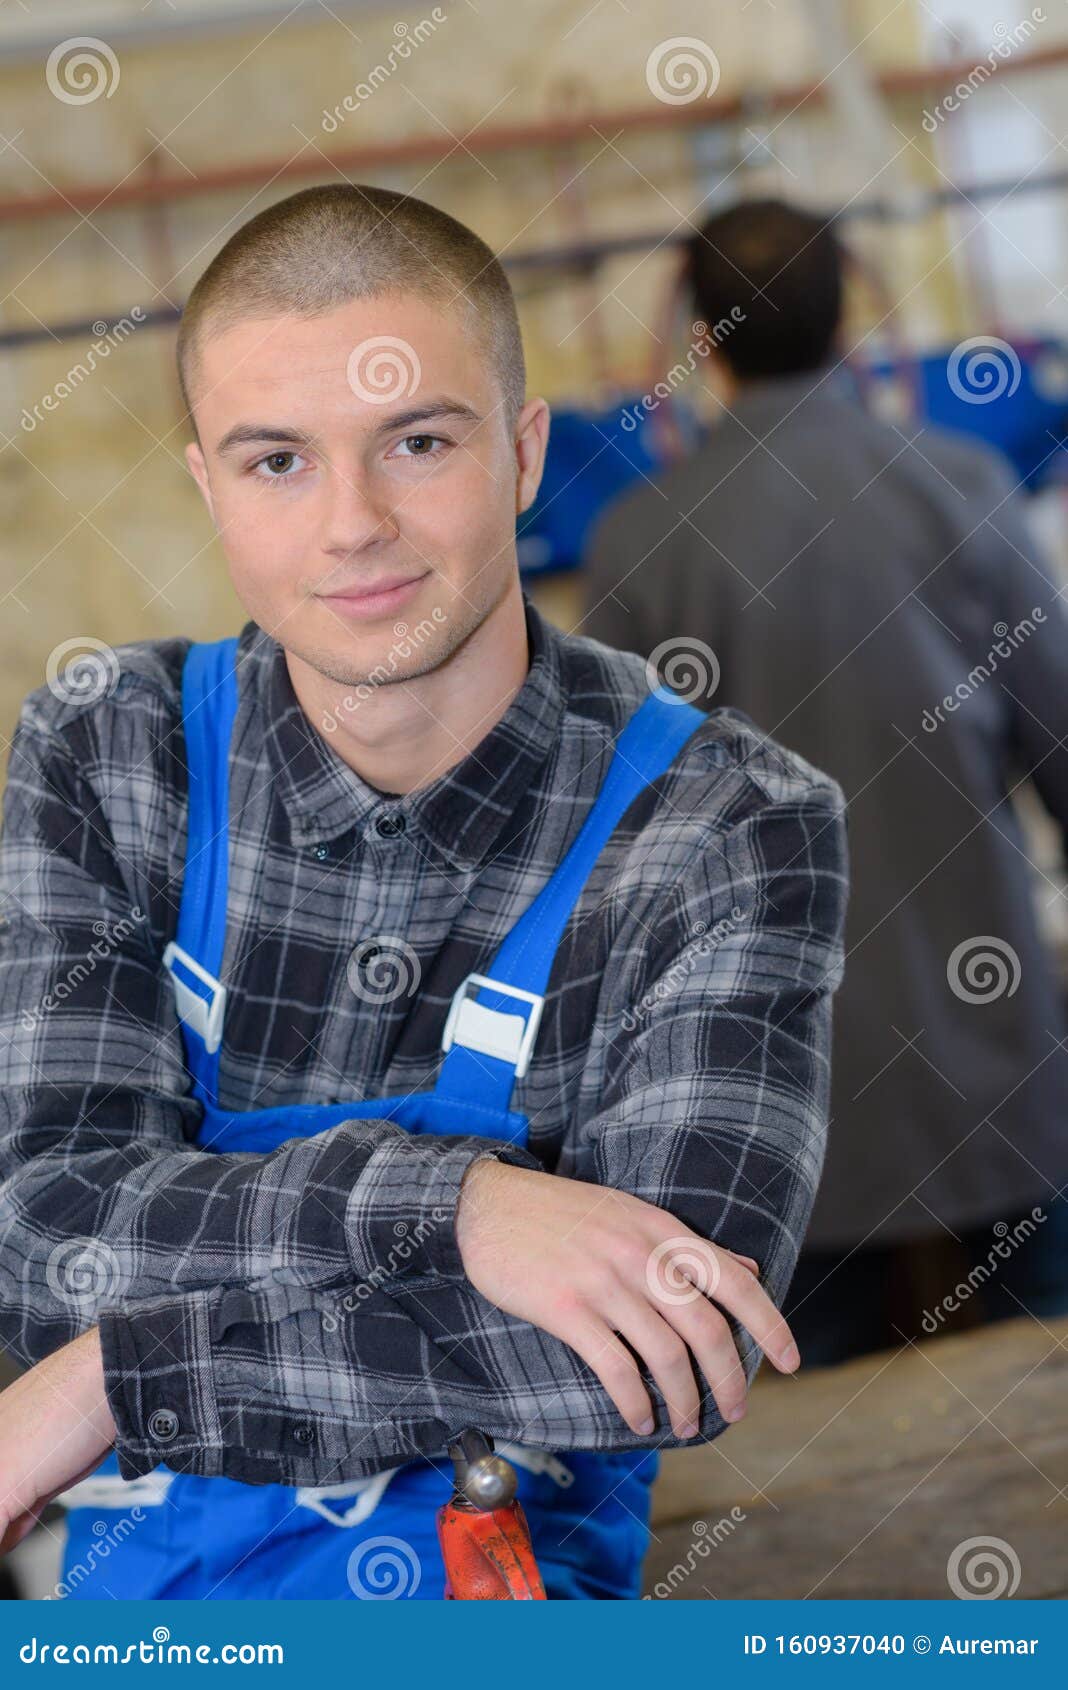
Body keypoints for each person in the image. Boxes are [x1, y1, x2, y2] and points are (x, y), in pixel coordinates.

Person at [0, 184, 847, 1601]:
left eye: (419, 441)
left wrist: (117, 1376)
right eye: (278, 461)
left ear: (522, 454)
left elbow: (668, 1347)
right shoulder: (110, 753)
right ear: (208, 484)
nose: (355, 525)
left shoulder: (727, 827)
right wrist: (454, 1206)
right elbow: (48, 1240)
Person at [583, 198, 1068, 1367]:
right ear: (851, 307)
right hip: (990, 1047)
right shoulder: (956, 481)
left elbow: (616, 859)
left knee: (816, 1455)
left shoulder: (639, 547)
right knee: (1050, 1382)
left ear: (701, 335)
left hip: (780, 1106)